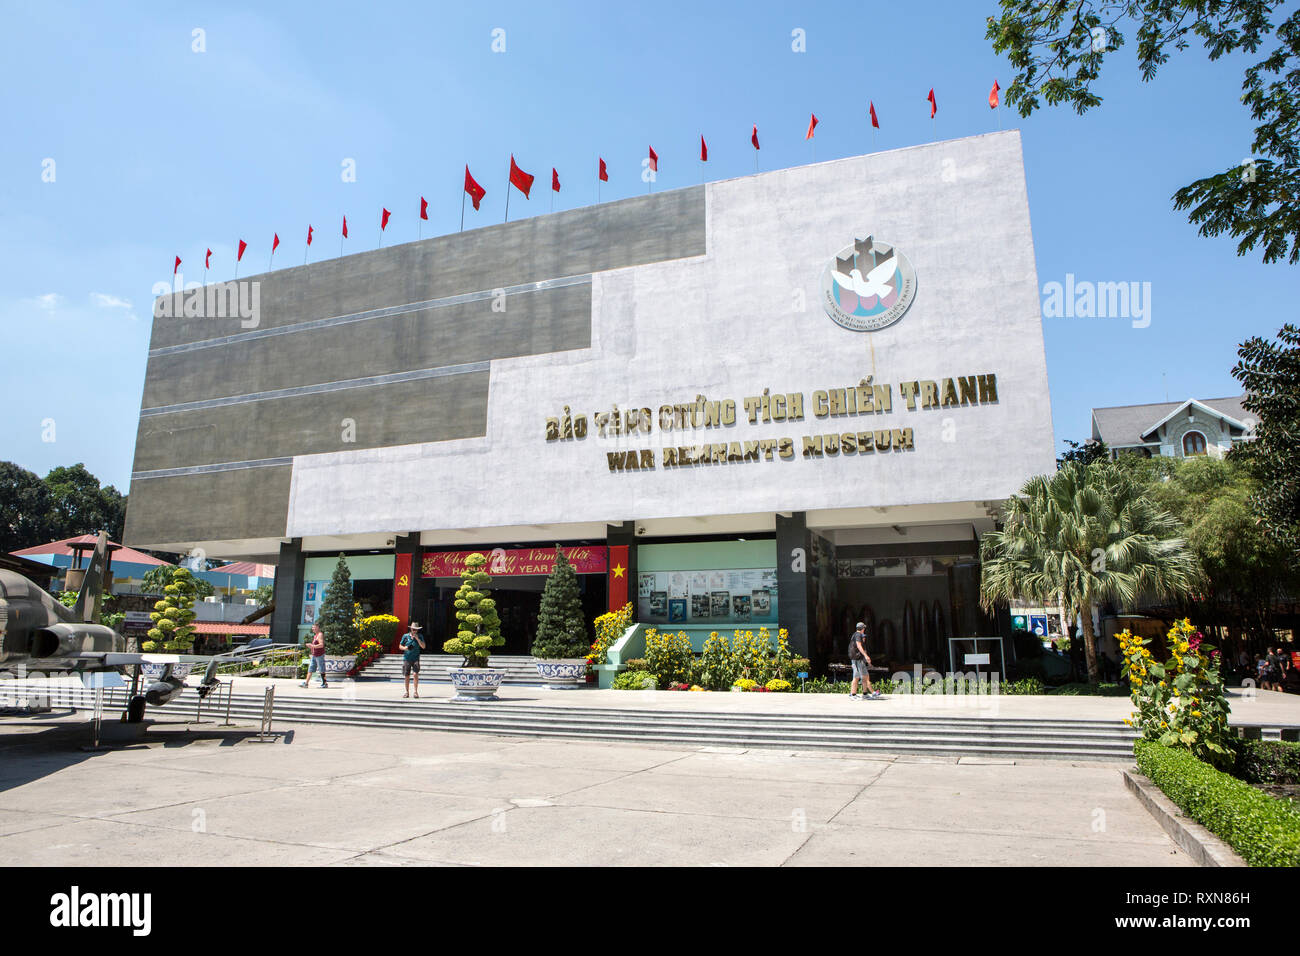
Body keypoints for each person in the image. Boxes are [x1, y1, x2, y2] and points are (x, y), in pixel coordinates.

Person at [848, 622, 881, 700]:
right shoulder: (858, 634)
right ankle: (853, 695)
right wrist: (866, 656)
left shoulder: (856, 635)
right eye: (864, 628)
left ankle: (865, 694)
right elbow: (858, 646)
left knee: (865, 676)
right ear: (862, 628)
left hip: (860, 659)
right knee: (856, 676)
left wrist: (866, 658)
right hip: (856, 659)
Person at [400, 622, 426, 698]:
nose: (414, 631)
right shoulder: (405, 636)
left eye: (416, 630)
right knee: (406, 675)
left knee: (415, 674)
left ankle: (415, 692)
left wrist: (417, 639)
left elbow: (423, 646)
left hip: (415, 658)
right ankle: (406, 692)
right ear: (411, 629)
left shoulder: (420, 636)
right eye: (413, 629)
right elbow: (400, 645)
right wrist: (405, 648)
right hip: (407, 658)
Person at [300, 622, 328, 689]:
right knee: (310, 669)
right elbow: (315, 645)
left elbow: (321, 645)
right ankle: (306, 683)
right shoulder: (315, 635)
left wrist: (312, 646)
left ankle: (325, 683)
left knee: (322, 669)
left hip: (319, 655)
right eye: (312, 627)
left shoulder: (320, 635)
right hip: (314, 655)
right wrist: (311, 646)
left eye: (314, 627)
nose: (313, 629)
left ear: (318, 627)